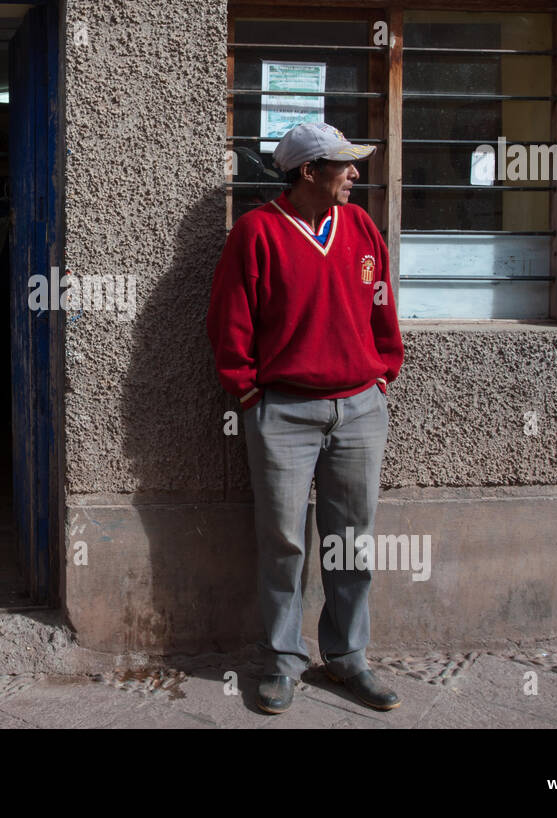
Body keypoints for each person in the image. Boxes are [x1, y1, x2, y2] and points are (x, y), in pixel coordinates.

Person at [206, 122, 405, 715]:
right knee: (284, 543)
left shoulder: (362, 226)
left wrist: (382, 372)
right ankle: (283, 661)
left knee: (352, 541)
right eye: (343, 164)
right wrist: (248, 394)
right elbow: (229, 321)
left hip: (360, 408)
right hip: (283, 412)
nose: (355, 173)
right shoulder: (257, 232)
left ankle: (348, 659)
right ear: (308, 172)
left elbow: (382, 301)